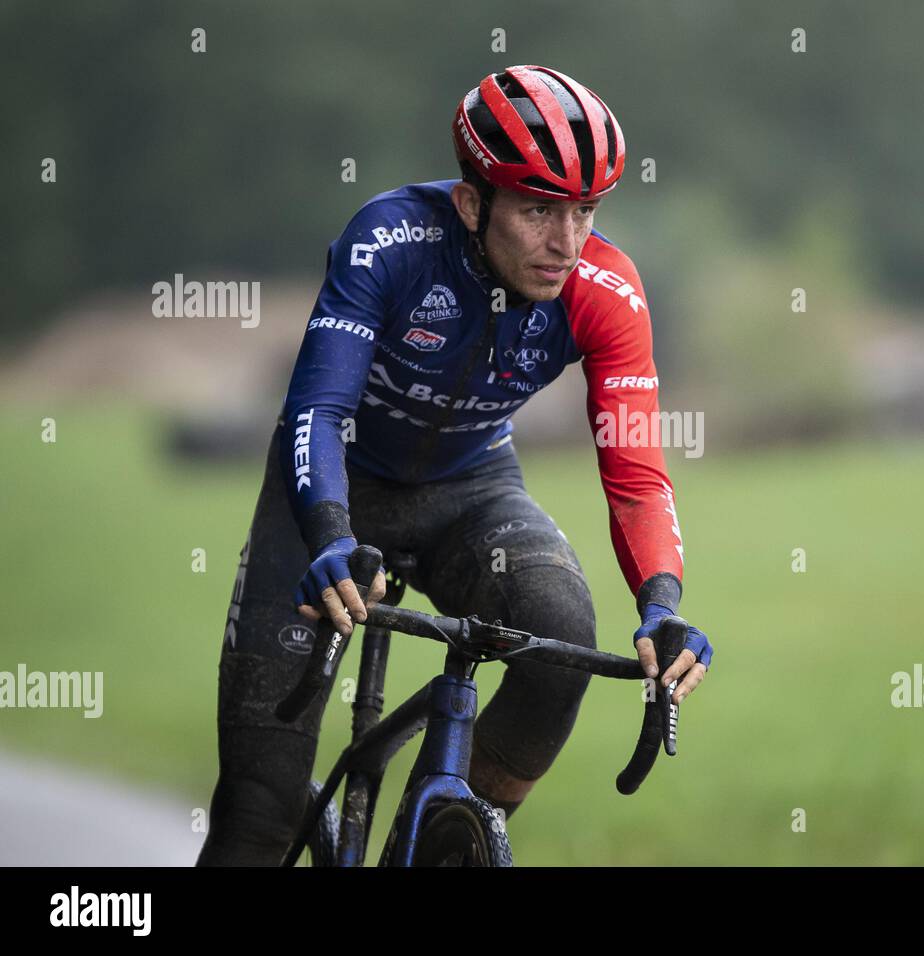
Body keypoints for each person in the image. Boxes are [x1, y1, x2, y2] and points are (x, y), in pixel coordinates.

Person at [196, 65, 713, 866]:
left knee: (562, 632)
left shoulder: (605, 291)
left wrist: (663, 600)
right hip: (334, 490)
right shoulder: (391, 242)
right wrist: (327, 531)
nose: (566, 244)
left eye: (584, 212)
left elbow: (637, 472)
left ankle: (437, 835)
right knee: (258, 818)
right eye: (539, 209)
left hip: (472, 495)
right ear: (472, 202)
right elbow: (317, 413)